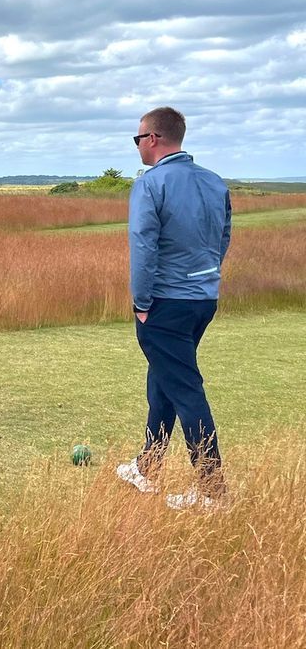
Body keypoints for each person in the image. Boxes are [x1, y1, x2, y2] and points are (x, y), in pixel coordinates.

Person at [116, 107, 232, 510]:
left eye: (137, 138)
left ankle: (213, 489)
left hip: (164, 302)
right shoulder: (214, 182)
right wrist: (205, 280)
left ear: (153, 138)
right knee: (164, 379)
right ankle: (146, 467)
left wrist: (142, 302)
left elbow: (143, 247)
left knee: (184, 388)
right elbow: (223, 237)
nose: (137, 146)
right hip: (203, 299)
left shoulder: (151, 185)